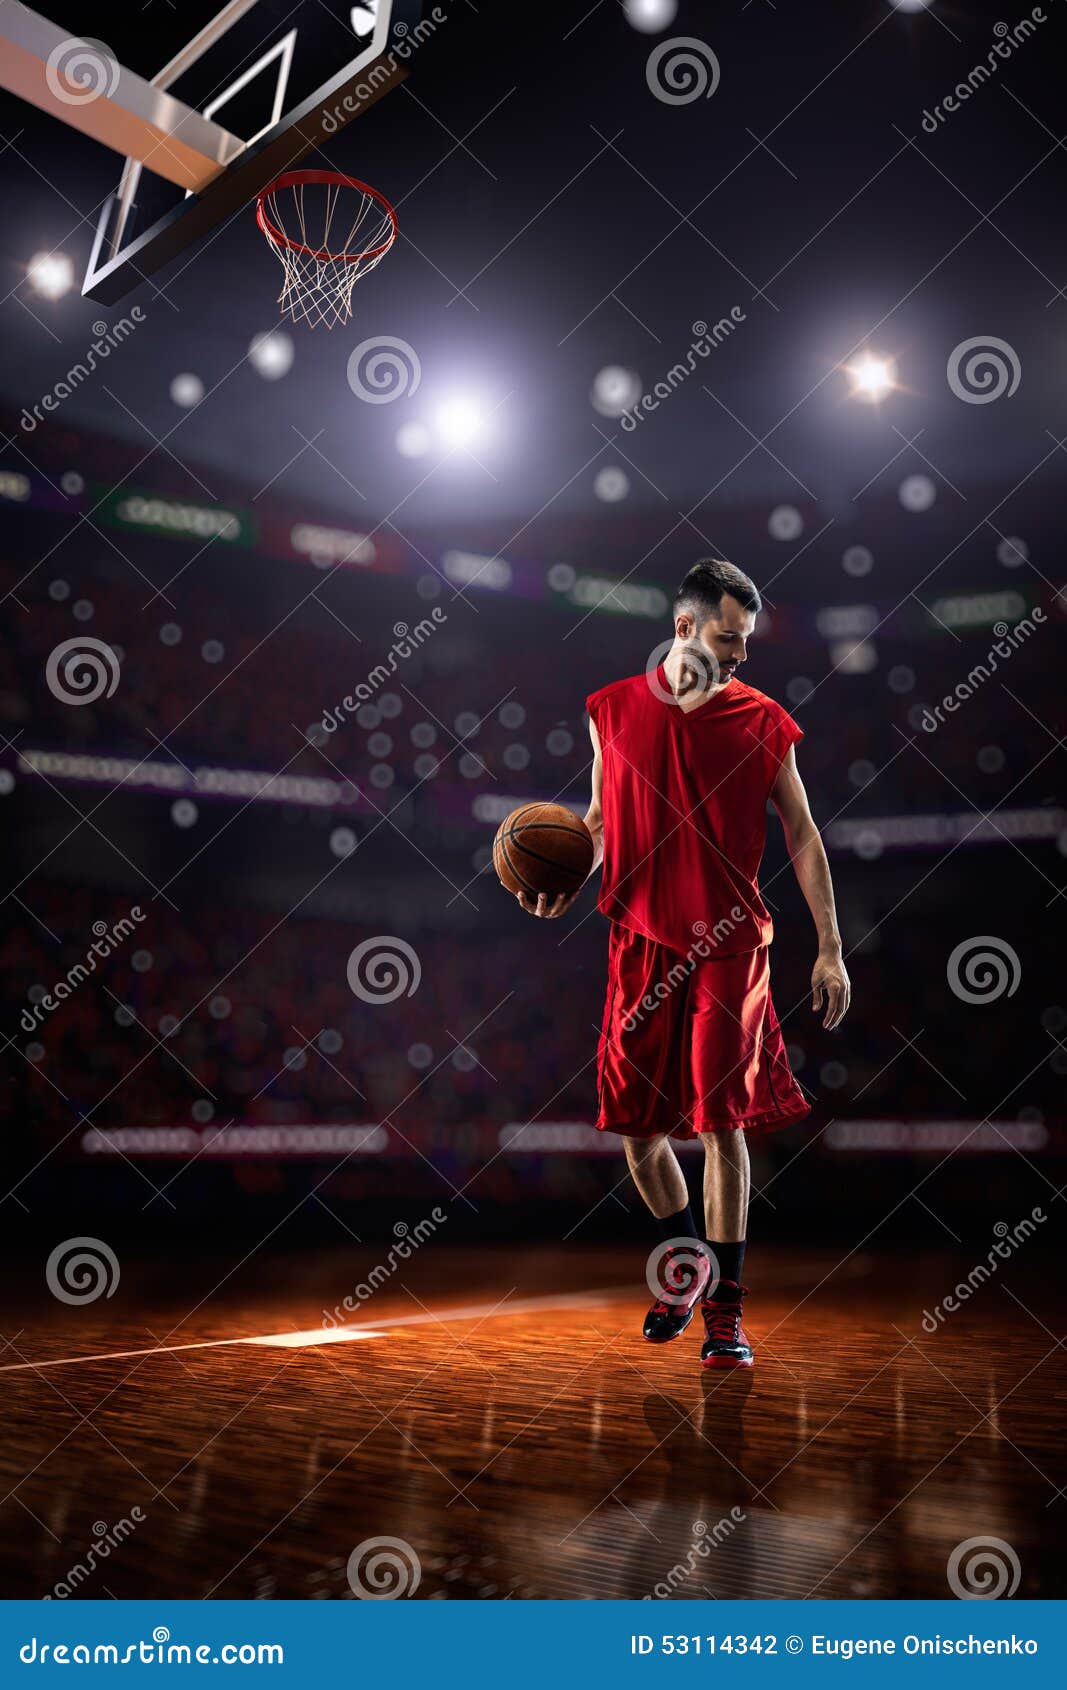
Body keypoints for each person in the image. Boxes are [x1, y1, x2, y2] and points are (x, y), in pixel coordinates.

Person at [515, 558, 850, 1369]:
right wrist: (569, 871)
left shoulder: (764, 719)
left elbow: (802, 835)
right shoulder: (610, 710)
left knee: (720, 1126)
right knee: (636, 1131)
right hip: (637, 941)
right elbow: (596, 821)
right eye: (728, 637)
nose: (739, 654)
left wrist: (830, 946)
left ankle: (725, 1316)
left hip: (730, 947)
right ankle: (685, 1265)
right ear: (684, 627)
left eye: (744, 642)